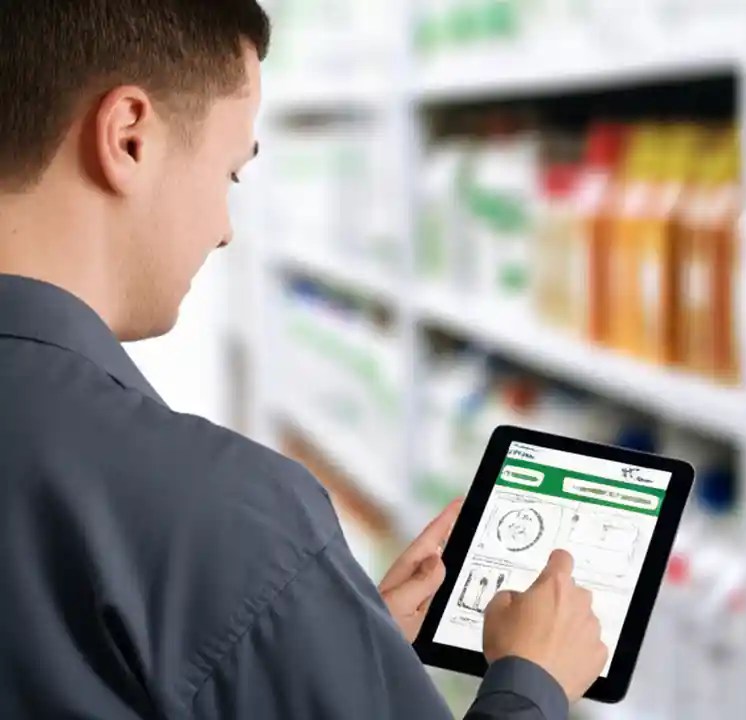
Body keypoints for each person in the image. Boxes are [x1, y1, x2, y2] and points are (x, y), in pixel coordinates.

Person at [0, 2, 608, 718]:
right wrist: (532, 681)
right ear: (129, 137)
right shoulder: (227, 517)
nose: (224, 232)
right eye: (230, 174)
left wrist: (307, 646)